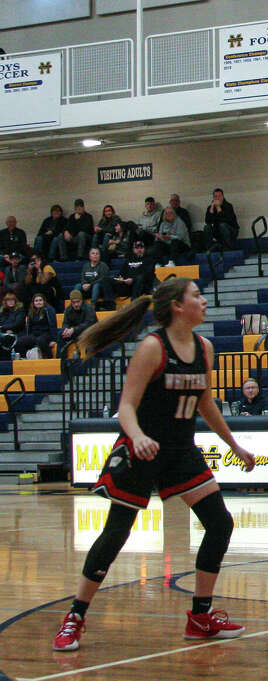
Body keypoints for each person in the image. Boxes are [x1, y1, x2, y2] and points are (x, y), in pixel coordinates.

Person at [51, 278, 256, 652]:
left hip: (180, 449)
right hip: (141, 448)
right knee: (116, 534)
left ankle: (200, 616)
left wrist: (235, 445)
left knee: (220, 522)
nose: (204, 301)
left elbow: (205, 403)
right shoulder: (152, 347)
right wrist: (139, 436)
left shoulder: (204, 348)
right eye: (196, 295)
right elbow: (126, 406)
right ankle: (75, 616)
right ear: (178, 306)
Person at [15, 292, 56, 359]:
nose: (38, 302)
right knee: (19, 341)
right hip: (34, 334)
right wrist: (28, 336)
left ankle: (49, 358)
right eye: (36, 301)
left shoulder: (49, 310)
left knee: (40, 340)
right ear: (33, 303)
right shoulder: (31, 311)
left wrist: (54, 340)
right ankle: (24, 358)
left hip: (46, 334)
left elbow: (53, 325)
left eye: (40, 300)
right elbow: (28, 326)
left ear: (44, 301)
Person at [0, 291, 24, 357]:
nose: (10, 302)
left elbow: (18, 324)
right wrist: (4, 329)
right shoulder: (2, 310)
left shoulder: (20, 310)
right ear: (5, 302)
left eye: (12, 300)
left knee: (6, 339)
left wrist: (4, 328)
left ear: (15, 301)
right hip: (4, 333)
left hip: (17, 332)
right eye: (8, 300)